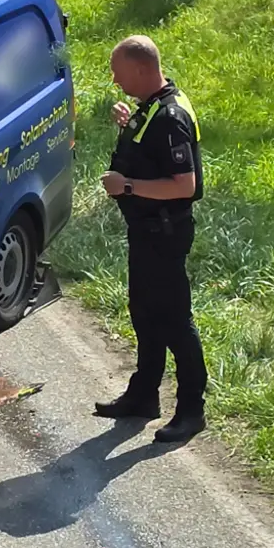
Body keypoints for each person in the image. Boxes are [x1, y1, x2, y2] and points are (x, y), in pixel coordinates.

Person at [94, 35, 208, 443]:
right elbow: (153, 146)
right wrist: (130, 123)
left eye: (119, 72)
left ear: (142, 70)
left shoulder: (171, 116)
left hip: (165, 234)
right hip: (145, 233)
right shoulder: (154, 107)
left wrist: (126, 187)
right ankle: (144, 394)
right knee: (143, 312)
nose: (114, 80)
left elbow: (183, 185)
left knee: (175, 322)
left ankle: (192, 410)